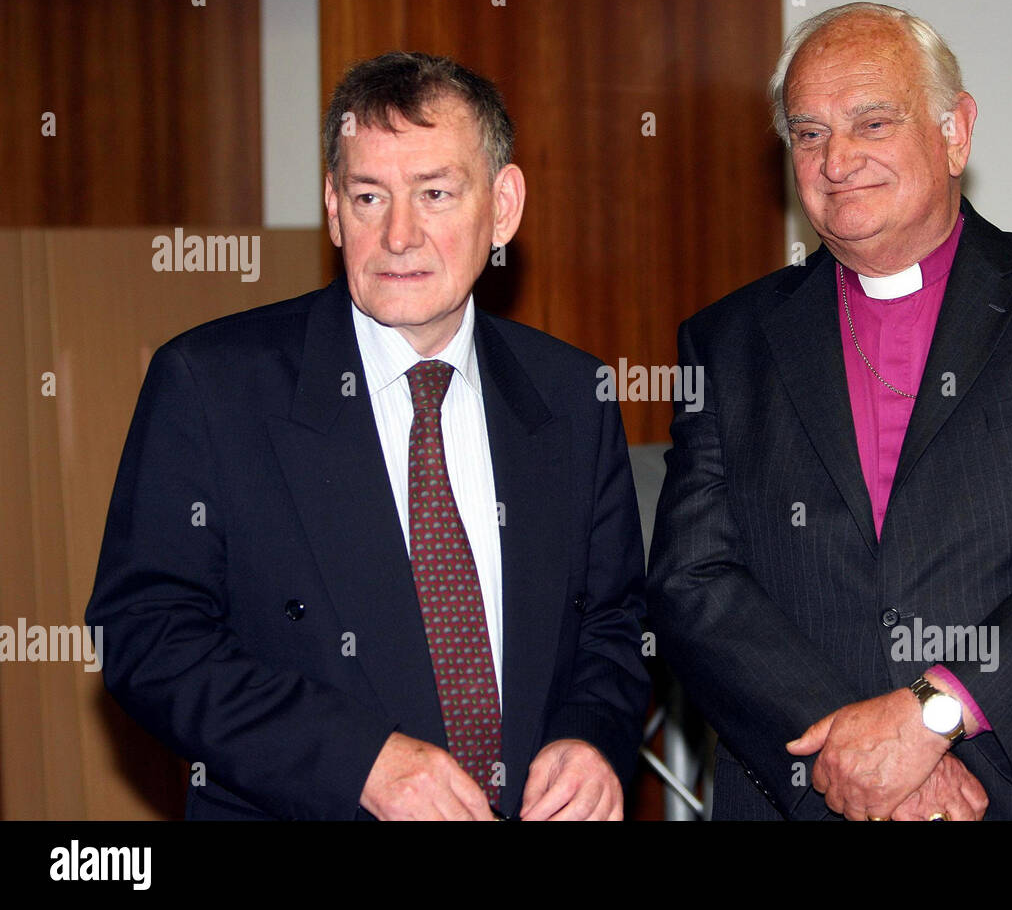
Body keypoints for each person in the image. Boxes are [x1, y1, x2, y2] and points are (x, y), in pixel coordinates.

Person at [646, 3, 1012, 820]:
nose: (837, 161)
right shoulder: (727, 341)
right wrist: (856, 748)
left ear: (955, 132)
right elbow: (693, 580)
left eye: (872, 122)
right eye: (807, 134)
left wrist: (935, 715)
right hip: (815, 787)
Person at [87, 51, 649, 821]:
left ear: (504, 204)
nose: (398, 235)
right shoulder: (212, 384)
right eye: (368, 197)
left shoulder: (572, 397)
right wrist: (360, 762)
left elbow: (614, 625)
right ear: (331, 206)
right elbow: (146, 640)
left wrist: (590, 740)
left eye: (436, 194)